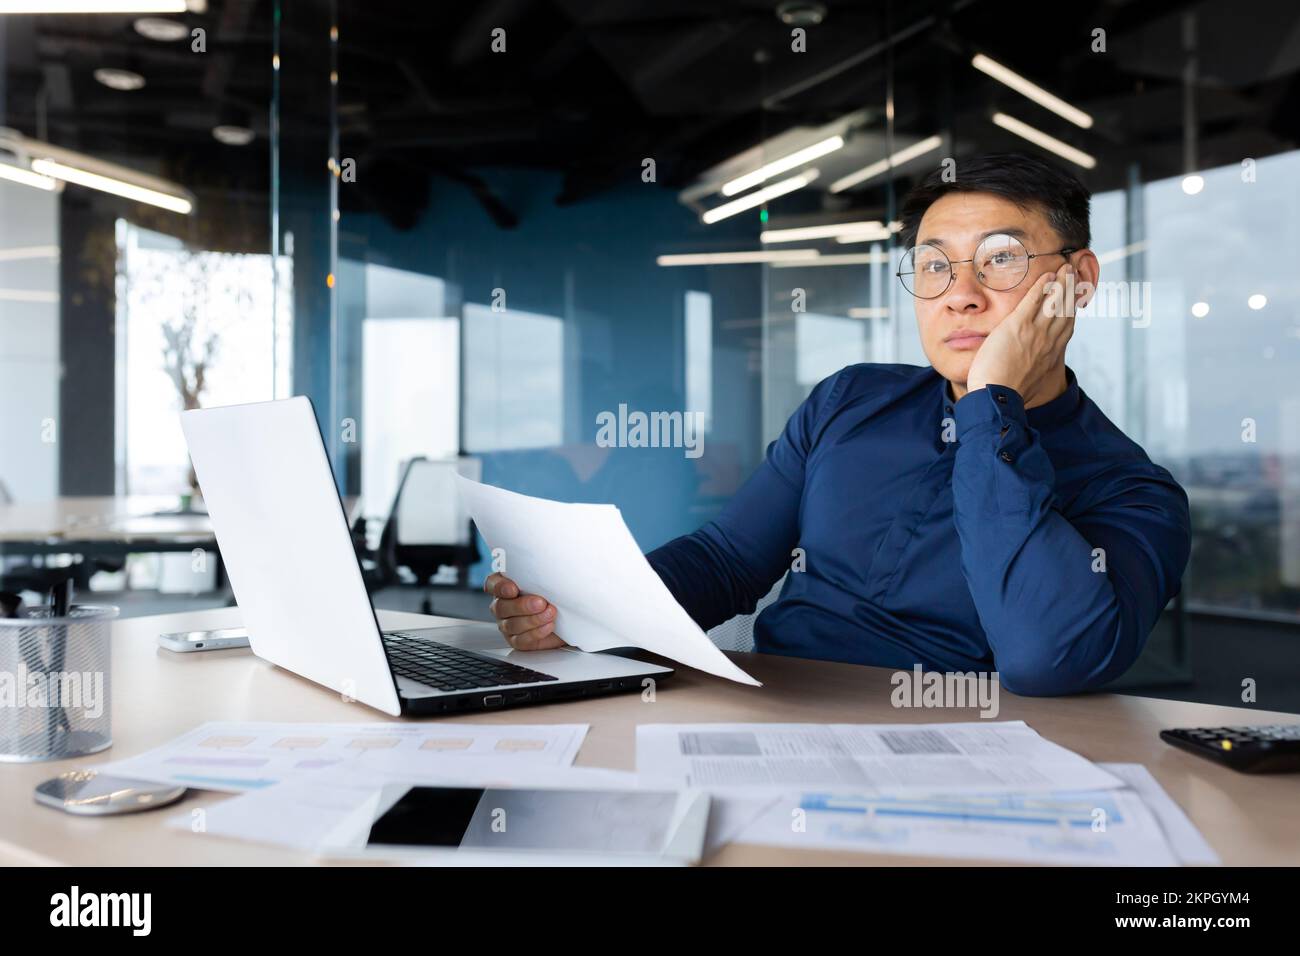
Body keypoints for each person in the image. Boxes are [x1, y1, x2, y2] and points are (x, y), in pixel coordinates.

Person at [484, 152, 1191, 696]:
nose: (960, 297)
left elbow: (1047, 659)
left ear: (1080, 281)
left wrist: (991, 402)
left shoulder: (1133, 494)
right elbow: (727, 561)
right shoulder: (850, 402)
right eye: (935, 266)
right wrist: (584, 611)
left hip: (960, 758)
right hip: (768, 713)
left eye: (1001, 261)